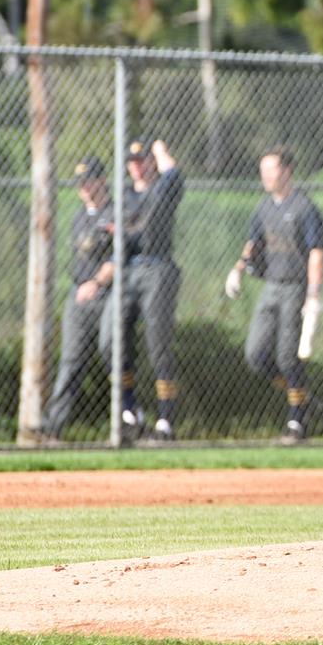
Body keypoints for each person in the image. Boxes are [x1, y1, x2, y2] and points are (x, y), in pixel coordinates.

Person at [224, 148, 323, 445]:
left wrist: (313, 295)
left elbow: (316, 254)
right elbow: (253, 243)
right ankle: (304, 398)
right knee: (256, 355)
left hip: (295, 287)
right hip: (272, 285)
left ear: (287, 171)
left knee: (288, 357)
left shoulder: (305, 208)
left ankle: (297, 421)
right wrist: (238, 268)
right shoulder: (264, 208)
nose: (266, 176)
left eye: (271, 170)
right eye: (263, 171)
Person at [101, 138, 185, 443]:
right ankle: (129, 411)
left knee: (158, 344)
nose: (137, 166)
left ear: (151, 163)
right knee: (109, 341)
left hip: (157, 268)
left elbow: (175, 177)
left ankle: (166, 421)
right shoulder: (123, 196)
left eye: (142, 160)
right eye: (132, 162)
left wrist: (162, 152)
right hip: (128, 269)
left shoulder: (162, 191)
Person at [38, 158, 115, 443]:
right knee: (70, 361)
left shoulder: (115, 213)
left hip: (108, 295)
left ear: (102, 180)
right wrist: (84, 286)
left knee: (114, 356)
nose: (83, 187)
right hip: (79, 294)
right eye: (80, 182)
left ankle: (128, 423)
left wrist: (96, 283)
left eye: (89, 180)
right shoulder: (79, 216)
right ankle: (52, 428)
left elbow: (120, 259)